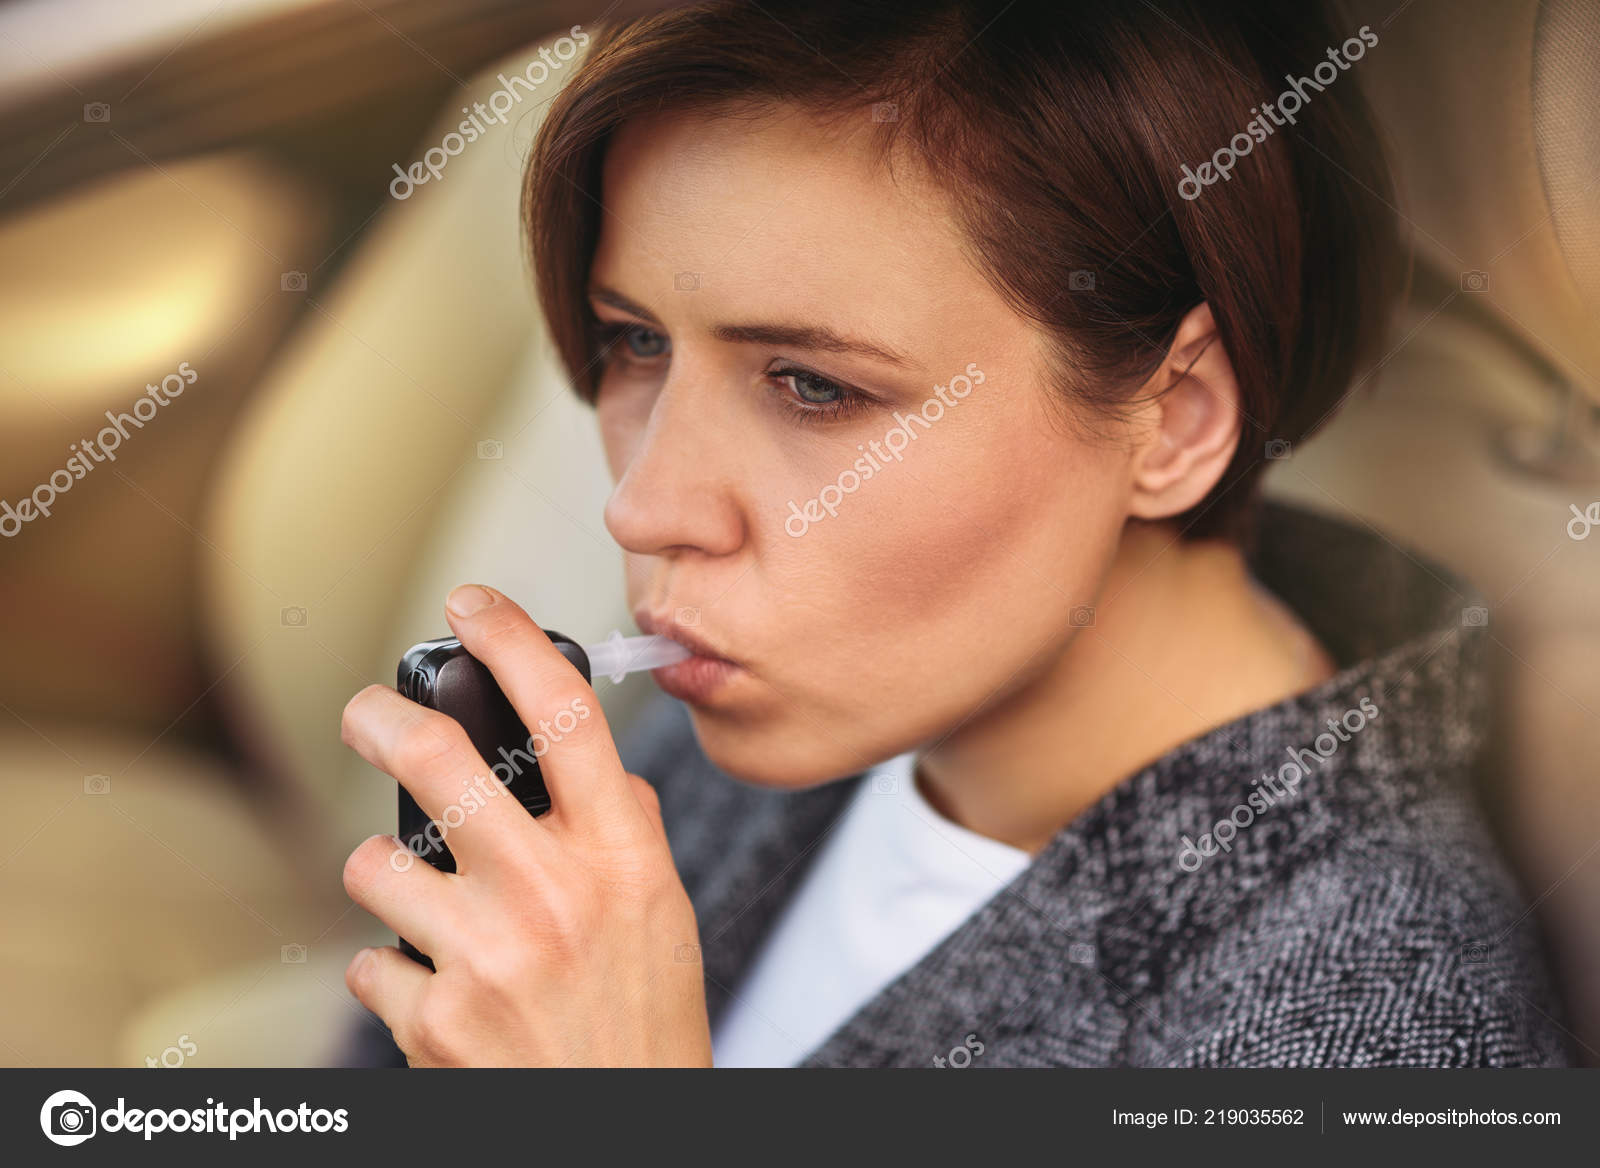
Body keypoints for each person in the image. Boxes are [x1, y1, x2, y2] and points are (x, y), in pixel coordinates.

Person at [338, 0, 1573, 1067]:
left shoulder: (1358, 1024)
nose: (643, 507)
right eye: (637, 342)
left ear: (1178, 417)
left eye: (814, 386)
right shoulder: (803, 685)